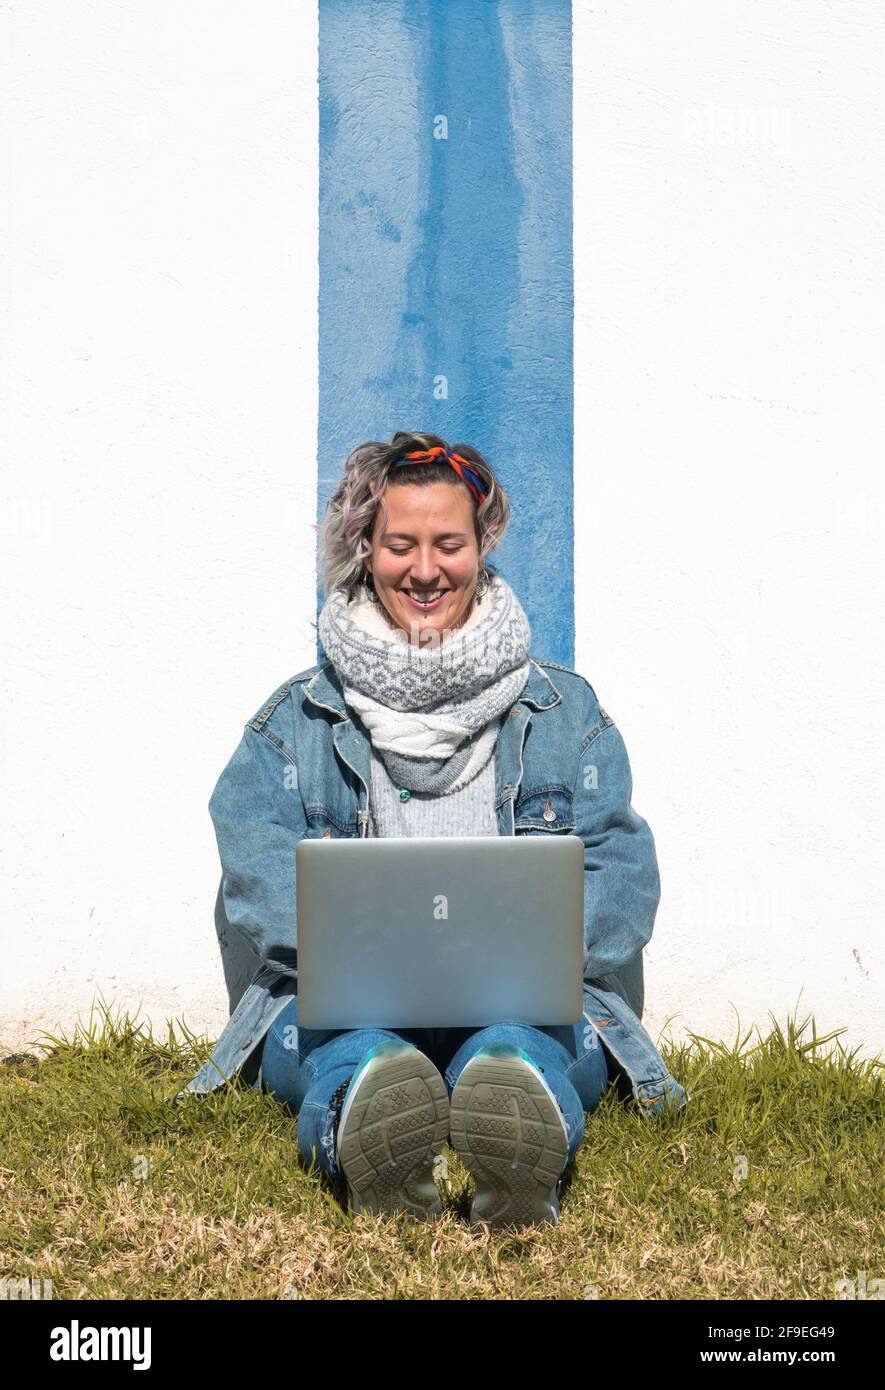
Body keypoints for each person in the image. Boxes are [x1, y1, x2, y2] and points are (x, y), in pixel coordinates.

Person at [172, 431, 689, 1229]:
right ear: (363, 550)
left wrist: (547, 957)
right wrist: (347, 958)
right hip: (345, 1007)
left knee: (526, 1044)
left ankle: (515, 1131)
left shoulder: (566, 712)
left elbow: (621, 866)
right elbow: (255, 857)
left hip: (527, 1003)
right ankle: (367, 1127)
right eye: (399, 545)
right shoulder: (294, 720)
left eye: (448, 543)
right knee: (351, 1049)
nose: (423, 571)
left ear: (482, 546)